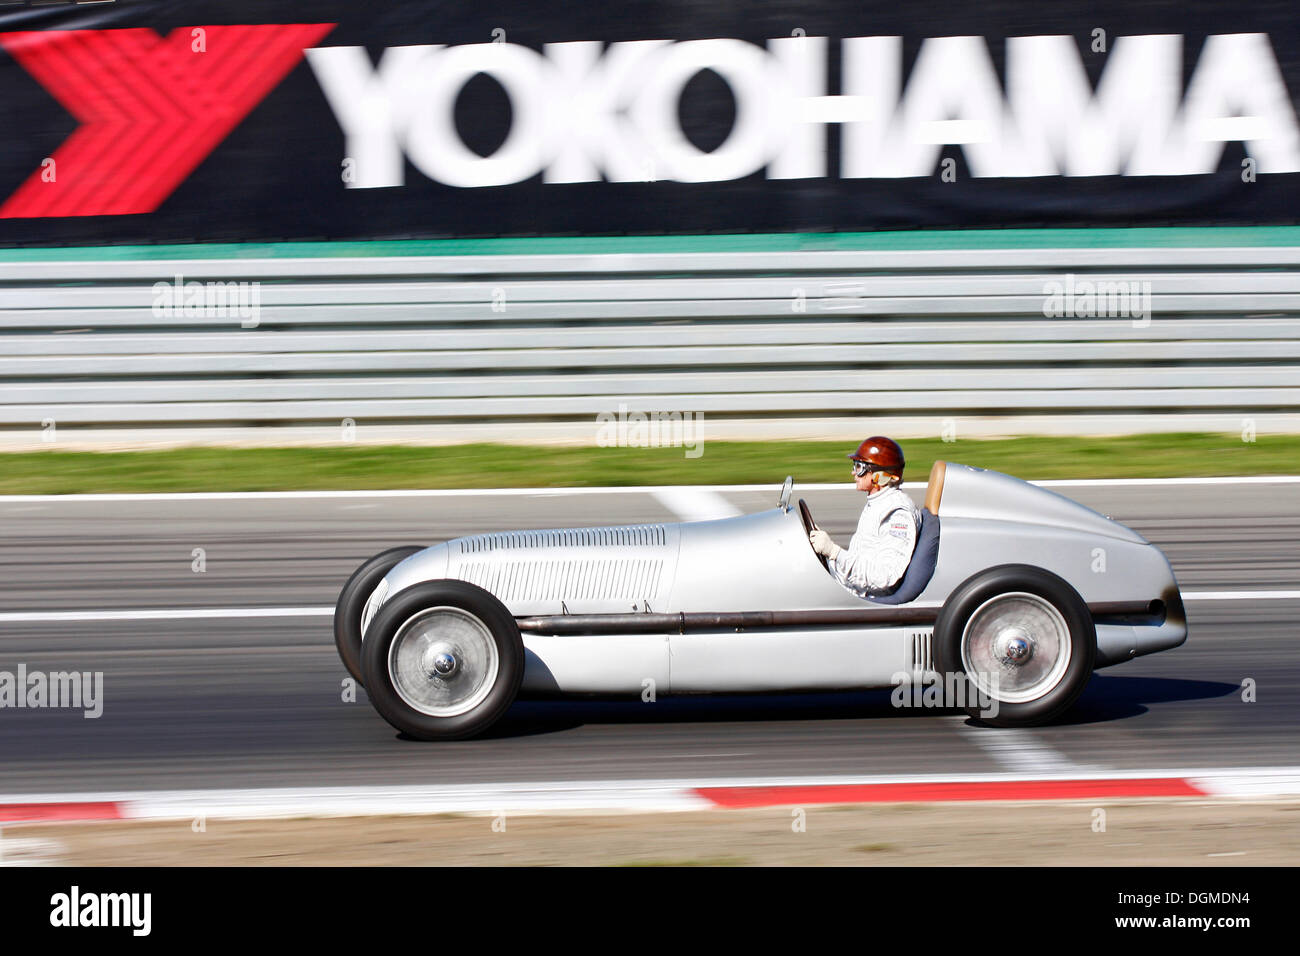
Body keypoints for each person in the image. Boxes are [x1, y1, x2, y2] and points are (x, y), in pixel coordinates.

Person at [809, 436, 920, 597]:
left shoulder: (897, 514)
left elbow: (884, 576)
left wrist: (833, 552)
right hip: (848, 586)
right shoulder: (878, 503)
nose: (853, 472)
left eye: (859, 467)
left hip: (861, 600)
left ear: (880, 475)